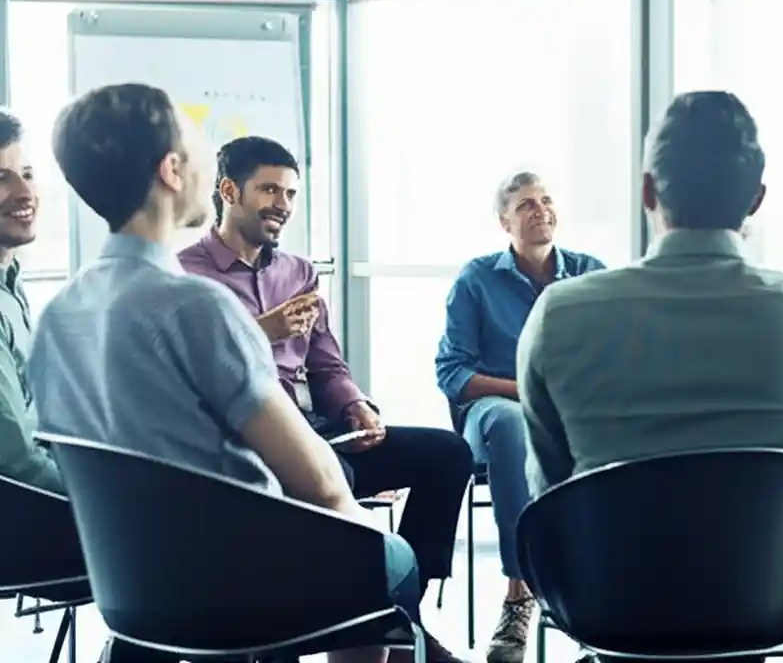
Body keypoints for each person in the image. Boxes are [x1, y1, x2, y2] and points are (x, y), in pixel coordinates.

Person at [28, 83, 460, 663]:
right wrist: (380, 547)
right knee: (382, 564)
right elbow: (322, 486)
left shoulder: (58, 314)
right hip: (239, 582)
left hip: (130, 588)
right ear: (173, 169)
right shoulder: (197, 305)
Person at [179, 135, 473, 615]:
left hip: (315, 431)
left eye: (291, 194)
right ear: (229, 191)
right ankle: (330, 619)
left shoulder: (299, 272)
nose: (283, 205)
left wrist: (356, 406)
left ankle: (400, 616)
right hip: (245, 443)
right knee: (330, 480)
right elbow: (192, 372)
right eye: (270, 191)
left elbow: (326, 365)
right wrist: (263, 331)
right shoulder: (186, 275)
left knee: (446, 454)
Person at [517, 90, 783, 492]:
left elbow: (549, 499)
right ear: (756, 199)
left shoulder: (558, 316)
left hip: (616, 555)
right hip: (766, 557)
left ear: (647, 191)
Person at [435, 171, 604, 663]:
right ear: (504, 221)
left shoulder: (590, 272)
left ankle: (615, 596)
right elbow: (453, 373)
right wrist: (529, 393)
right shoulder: (476, 279)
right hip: (496, 409)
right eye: (526, 204)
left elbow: (618, 352)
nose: (541, 210)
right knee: (512, 425)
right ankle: (520, 593)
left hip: (574, 410)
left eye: (547, 200)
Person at [0, 109, 60, 493]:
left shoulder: (12, 282)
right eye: (1, 180)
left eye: (28, 174)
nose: (25, 193)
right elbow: (17, 461)